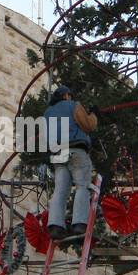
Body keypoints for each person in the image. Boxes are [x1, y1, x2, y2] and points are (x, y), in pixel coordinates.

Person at [43, 85, 99, 240]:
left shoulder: (47, 113)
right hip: (76, 149)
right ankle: (80, 222)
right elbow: (87, 125)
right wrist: (94, 114)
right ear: (66, 95)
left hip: (58, 154)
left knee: (60, 190)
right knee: (82, 185)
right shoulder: (74, 105)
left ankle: (55, 225)